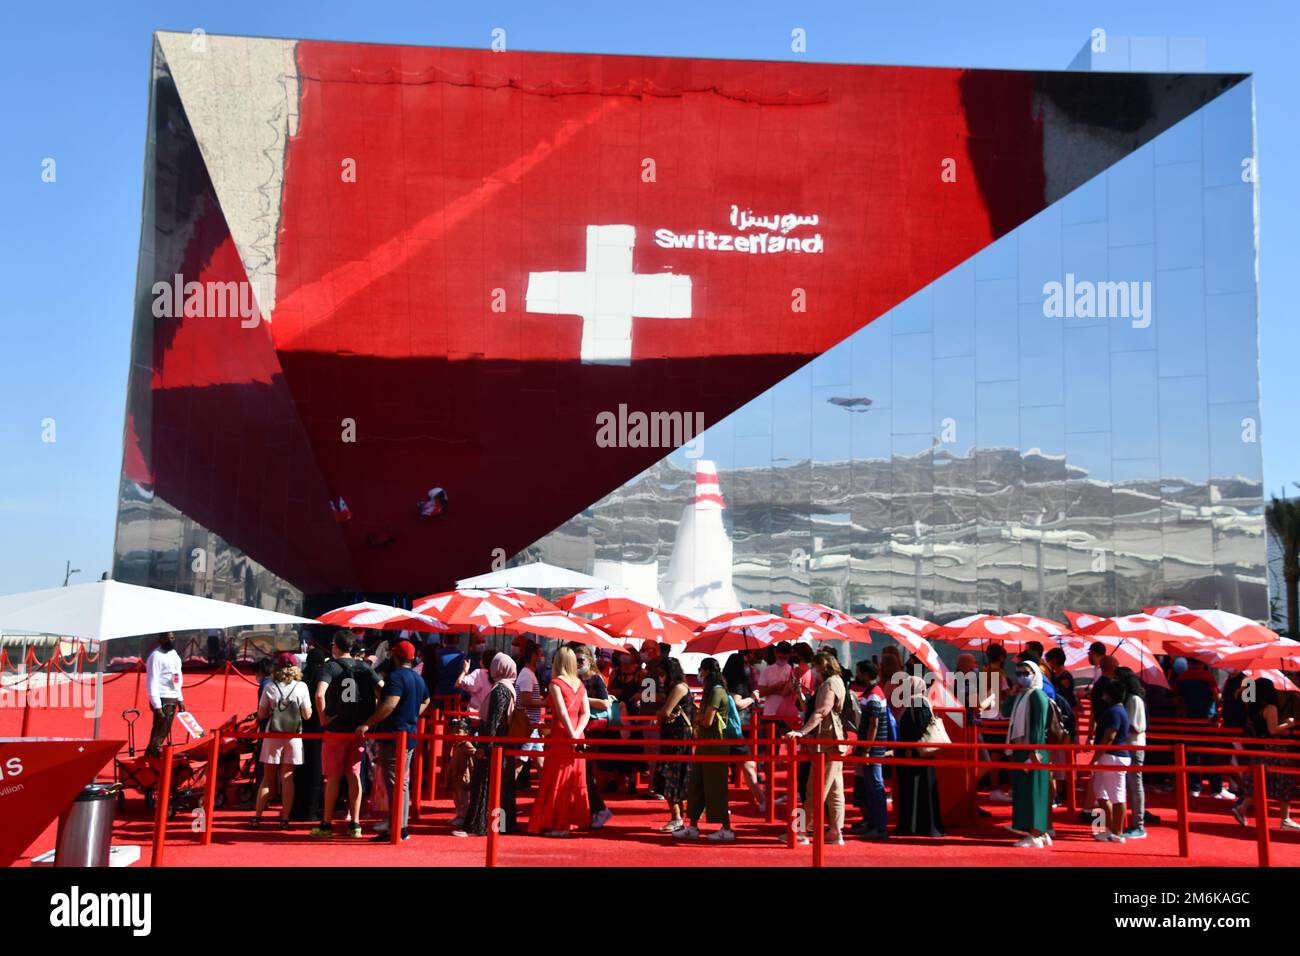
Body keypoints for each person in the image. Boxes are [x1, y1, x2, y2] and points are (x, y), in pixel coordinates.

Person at [359, 640, 429, 841]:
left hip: (394, 736)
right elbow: (426, 700)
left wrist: (367, 723)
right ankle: (401, 826)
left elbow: (390, 704)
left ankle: (395, 828)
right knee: (402, 783)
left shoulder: (396, 677)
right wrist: (412, 715)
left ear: (396, 656)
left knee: (394, 783)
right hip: (408, 735)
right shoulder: (417, 678)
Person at [312, 631, 378, 839]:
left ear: (335, 646)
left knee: (333, 778)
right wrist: (370, 720)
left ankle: (326, 824)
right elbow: (382, 691)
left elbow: (320, 694)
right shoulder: (365, 668)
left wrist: (323, 719)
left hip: (336, 729)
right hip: (358, 730)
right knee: (354, 774)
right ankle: (355, 823)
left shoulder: (330, 666)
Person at [528, 647, 591, 836]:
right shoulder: (580, 684)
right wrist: (577, 733)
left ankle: (559, 824)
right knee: (573, 780)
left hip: (562, 735)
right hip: (577, 734)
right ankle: (570, 822)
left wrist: (571, 734)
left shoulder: (555, 683)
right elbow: (585, 713)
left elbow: (562, 712)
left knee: (556, 779)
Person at [787, 651, 849, 845]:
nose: (812, 670)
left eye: (815, 666)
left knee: (815, 789)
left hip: (826, 742)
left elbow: (822, 711)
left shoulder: (829, 684)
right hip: (833, 741)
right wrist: (799, 692)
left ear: (822, 667)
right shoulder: (833, 682)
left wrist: (802, 732)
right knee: (835, 791)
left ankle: (802, 831)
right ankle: (836, 832)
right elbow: (814, 709)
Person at [455, 653, 520, 837]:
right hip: (501, 745)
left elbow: (493, 720)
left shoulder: (500, 689)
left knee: (484, 785)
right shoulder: (509, 687)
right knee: (502, 788)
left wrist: (484, 747)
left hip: (492, 745)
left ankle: (479, 825)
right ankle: (502, 825)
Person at [676, 657, 735, 841]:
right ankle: (693, 825)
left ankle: (726, 828)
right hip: (705, 744)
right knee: (697, 785)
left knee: (715, 787)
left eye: (701, 669)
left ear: (707, 671)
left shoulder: (717, 692)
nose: (699, 673)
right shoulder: (712, 691)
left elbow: (708, 720)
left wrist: (697, 718)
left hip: (715, 745)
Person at [1231, 677, 1299, 830]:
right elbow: (1273, 730)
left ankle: (1242, 808)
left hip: (1259, 748)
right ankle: (1285, 819)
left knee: (1259, 781)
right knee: (1283, 780)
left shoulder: (1252, 708)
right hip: (1273, 749)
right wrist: (1288, 724)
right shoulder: (1271, 708)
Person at [254, 653, 312, 829]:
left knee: (267, 778)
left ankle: (257, 817)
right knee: (288, 778)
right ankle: (285, 818)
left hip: (273, 734)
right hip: (293, 736)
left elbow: (261, 714)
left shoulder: (270, 687)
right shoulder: (301, 687)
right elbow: (307, 715)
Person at [1007, 660, 1050, 848]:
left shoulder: (1038, 696)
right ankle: (1040, 832)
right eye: (1019, 673)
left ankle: (1035, 834)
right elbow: (1006, 710)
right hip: (1021, 749)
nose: (1022, 677)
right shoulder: (1021, 696)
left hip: (1033, 751)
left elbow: (1038, 728)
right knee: (1025, 793)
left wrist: (1034, 751)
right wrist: (1012, 693)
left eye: (1026, 673)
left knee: (1035, 793)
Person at [895, 674, 945, 837]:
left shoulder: (918, 702)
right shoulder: (916, 702)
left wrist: (913, 748)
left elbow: (921, 727)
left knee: (916, 790)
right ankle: (918, 826)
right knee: (917, 790)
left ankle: (915, 826)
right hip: (916, 755)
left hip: (915, 755)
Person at [1175, 658, 1229, 798]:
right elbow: (1217, 697)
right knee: (1209, 755)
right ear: (1203, 663)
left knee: (1191, 756)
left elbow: (1178, 699)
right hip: (1207, 721)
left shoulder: (1182, 677)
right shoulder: (1208, 677)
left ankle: (1194, 788)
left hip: (1188, 721)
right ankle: (1215, 789)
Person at [573, 644, 614, 829]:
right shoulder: (575, 679)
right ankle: (590, 810)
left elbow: (605, 703)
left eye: (581, 660)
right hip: (580, 727)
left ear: (589, 660)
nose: (578, 664)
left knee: (586, 771)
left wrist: (581, 698)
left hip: (593, 728)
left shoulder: (595, 678)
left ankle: (600, 809)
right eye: (575, 660)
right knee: (581, 771)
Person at [852, 660, 891, 839]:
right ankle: (874, 824)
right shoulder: (873, 692)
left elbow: (873, 724)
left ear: (866, 674)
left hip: (873, 749)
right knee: (871, 787)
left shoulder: (874, 694)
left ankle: (880, 827)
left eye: (859, 672)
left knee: (876, 787)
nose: (857, 675)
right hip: (871, 747)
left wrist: (867, 749)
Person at [654, 657, 694, 832]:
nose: (660, 678)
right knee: (673, 775)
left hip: (677, 737)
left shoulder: (678, 688)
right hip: (675, 735)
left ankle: (677, 817)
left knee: (670, 774)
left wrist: (660, 714)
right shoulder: (678, 688)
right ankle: (678, 816)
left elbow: (665, 712)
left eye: (662, 674)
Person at [722, 652, 766, 812]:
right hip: (735, 728)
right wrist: (753, 698)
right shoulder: (738, 682)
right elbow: (737, 702)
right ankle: (762, 800)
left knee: (741, 765)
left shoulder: (726, 681)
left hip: (730, 728)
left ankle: (762, 800)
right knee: (747, 764)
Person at [1090, 677, 1132, 843]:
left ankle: (1117, 832)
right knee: (1100, 792)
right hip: (1110, 756)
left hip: (1113, 757)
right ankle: (1108, 828)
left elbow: (1109, 736)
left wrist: (1095, 757)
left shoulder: (1115, 712)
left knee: (1117, 796)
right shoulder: (1117, 710)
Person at [1117, 667, 1149, 839]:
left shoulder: (1134, 700)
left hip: (1134, 746)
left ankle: (1138, 824)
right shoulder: (1130, 699)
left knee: (1135, 785)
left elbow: (1136, 726)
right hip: (1129, 745)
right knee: (1130, 786)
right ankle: (1134, 822)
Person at [145, 632, 184, 757]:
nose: (171, 640)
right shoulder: (155, 656)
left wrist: (180, 698)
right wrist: (156, 705)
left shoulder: (174, 655)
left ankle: (153, 749)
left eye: (172, 638)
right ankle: (154, 749)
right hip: (162, 696)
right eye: (167, 639)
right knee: (160, 726)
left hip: (173, 695)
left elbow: (177, 677)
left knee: (166, 726)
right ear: (160, 640)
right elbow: (152, 681)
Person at [515, 641, 546, 779]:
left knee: (540, 763)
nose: (542, 658)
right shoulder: (527, 675)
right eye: (540, 655)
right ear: (533, 656)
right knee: (518, 763)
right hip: (528, 726)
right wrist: (545, 703)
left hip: (532, 726)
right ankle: (503, 794)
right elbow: (525, 700)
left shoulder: (528, 674)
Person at [757, 641, 800, 724]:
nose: (782, 660)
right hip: (770, 712)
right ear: (775, 653)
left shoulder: (794, 670)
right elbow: (760, 693)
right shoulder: (767, 670)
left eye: (785, 658)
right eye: (780, 657)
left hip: (787, 714)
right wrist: (776, 687)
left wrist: (773, 690)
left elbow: (793, 691)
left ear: (790, 655)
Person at [444, 718, 476, 829]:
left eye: (459, 731)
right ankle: (458, 815)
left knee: (463, 798)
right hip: (455, 773)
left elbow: (474, 752)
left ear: (466, 733)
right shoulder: (456, 744)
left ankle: (464, 817)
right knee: (456, 797)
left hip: (463, 774)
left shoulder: (466, 744)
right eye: (454, 731)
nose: (455, 733)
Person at [456, 648, 496, 717]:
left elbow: (458, 683)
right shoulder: (499, 675)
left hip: (475, 717)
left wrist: (465, 670)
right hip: (491, 718)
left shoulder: (478, 673)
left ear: (482, 662)